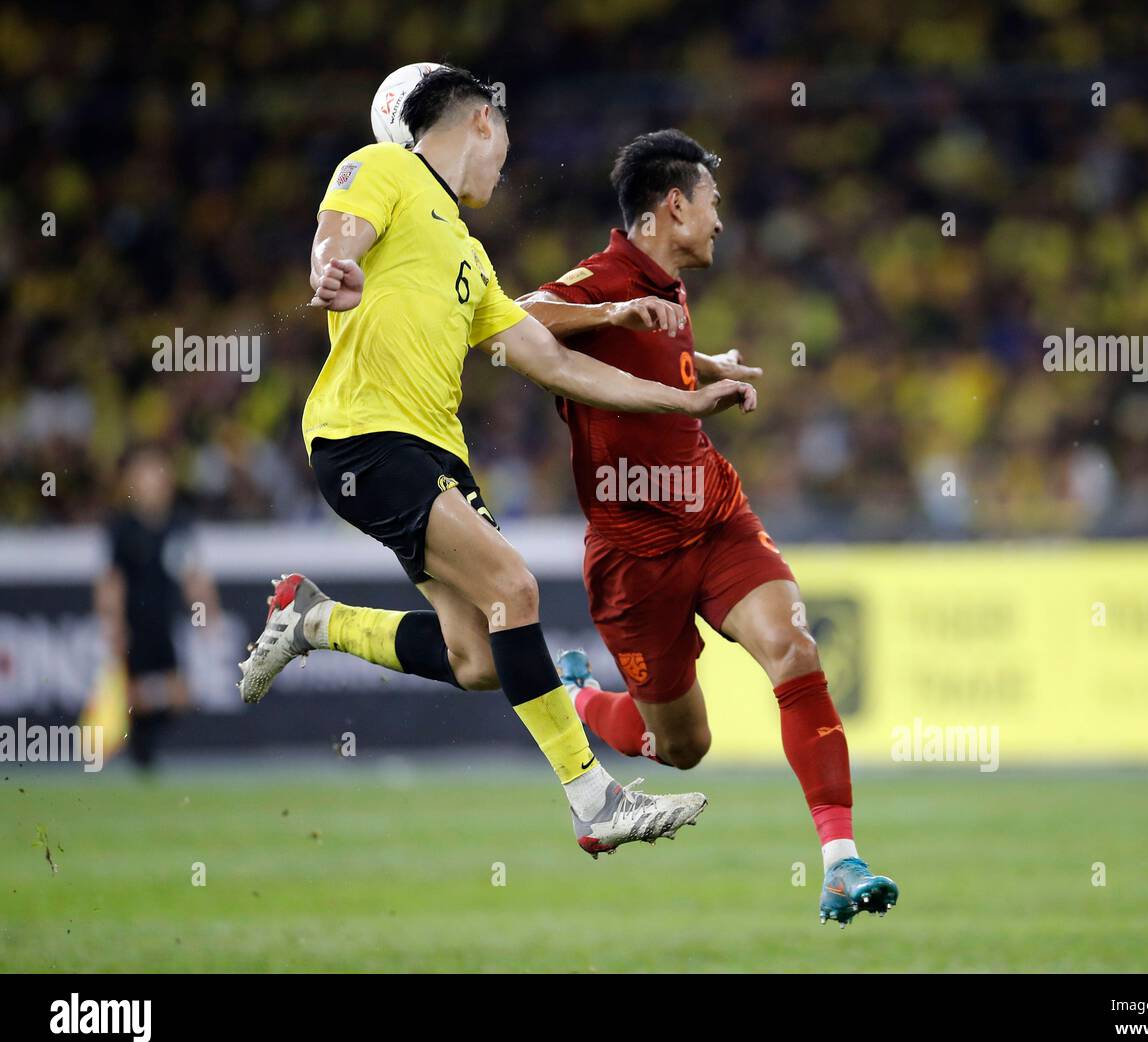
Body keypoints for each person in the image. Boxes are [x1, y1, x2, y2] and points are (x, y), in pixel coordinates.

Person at [238, 69, 757, 857]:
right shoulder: (387, 170)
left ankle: (309, 618)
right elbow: (338, 231)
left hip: (435, 451)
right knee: (513, 585)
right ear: (482, 121)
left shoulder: (469, 256)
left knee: (476, 656)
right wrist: (330, 267)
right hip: (365, 438)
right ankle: (594, 798)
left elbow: (552, 361)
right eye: (503, 145)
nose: (504, 166)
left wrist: (681, 399)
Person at [518, 129, 898, 923]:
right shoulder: (608, 278)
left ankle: (841, 861)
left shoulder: (671, 282)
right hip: (634, 559)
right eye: (712, 204)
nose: (721, 221)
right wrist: (614, 307)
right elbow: (507, 320)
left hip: (714, 514)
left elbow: (648, 362)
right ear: (673, 205)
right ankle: (584, 701)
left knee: (795, 648)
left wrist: (705, 368)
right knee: (683, 746)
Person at [97, 444, 220, 770]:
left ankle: (142, 739)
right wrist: (113, 624)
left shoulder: (179, 524)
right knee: (129, 693)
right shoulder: (122, 528)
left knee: (180, 695)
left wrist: (207, 613)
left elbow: (193, 574)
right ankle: (134, 743)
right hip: (134, 627)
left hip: (165, 625)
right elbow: (112, 581)